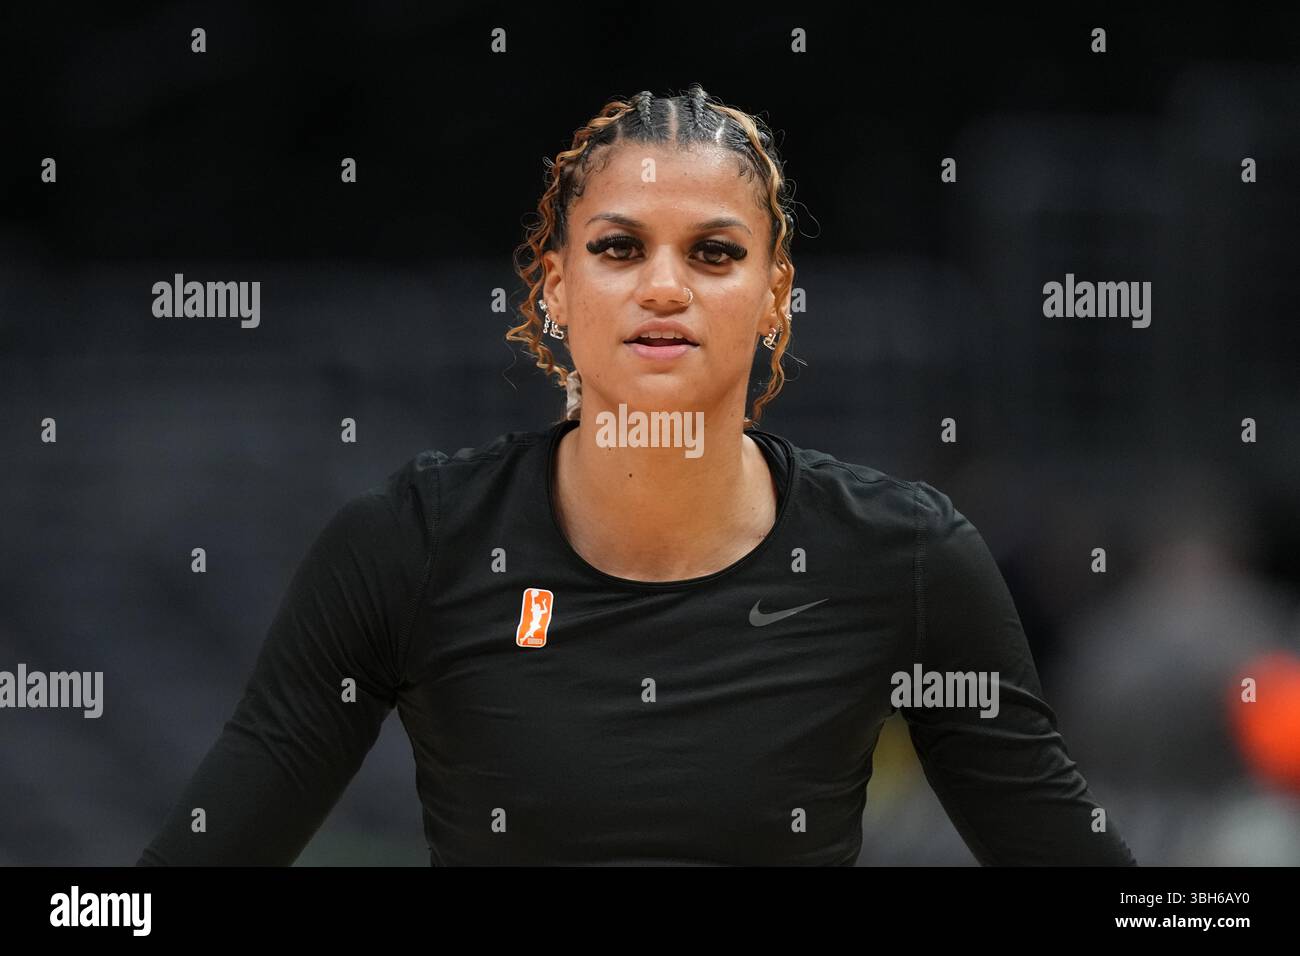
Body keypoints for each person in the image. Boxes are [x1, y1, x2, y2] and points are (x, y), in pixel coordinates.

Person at [137, 84, 1136, 866]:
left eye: (712, 252)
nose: (664, 285)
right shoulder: (411, 544)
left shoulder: (905, 555)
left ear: (776, 296)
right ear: (556, 289)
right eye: (619, 248)